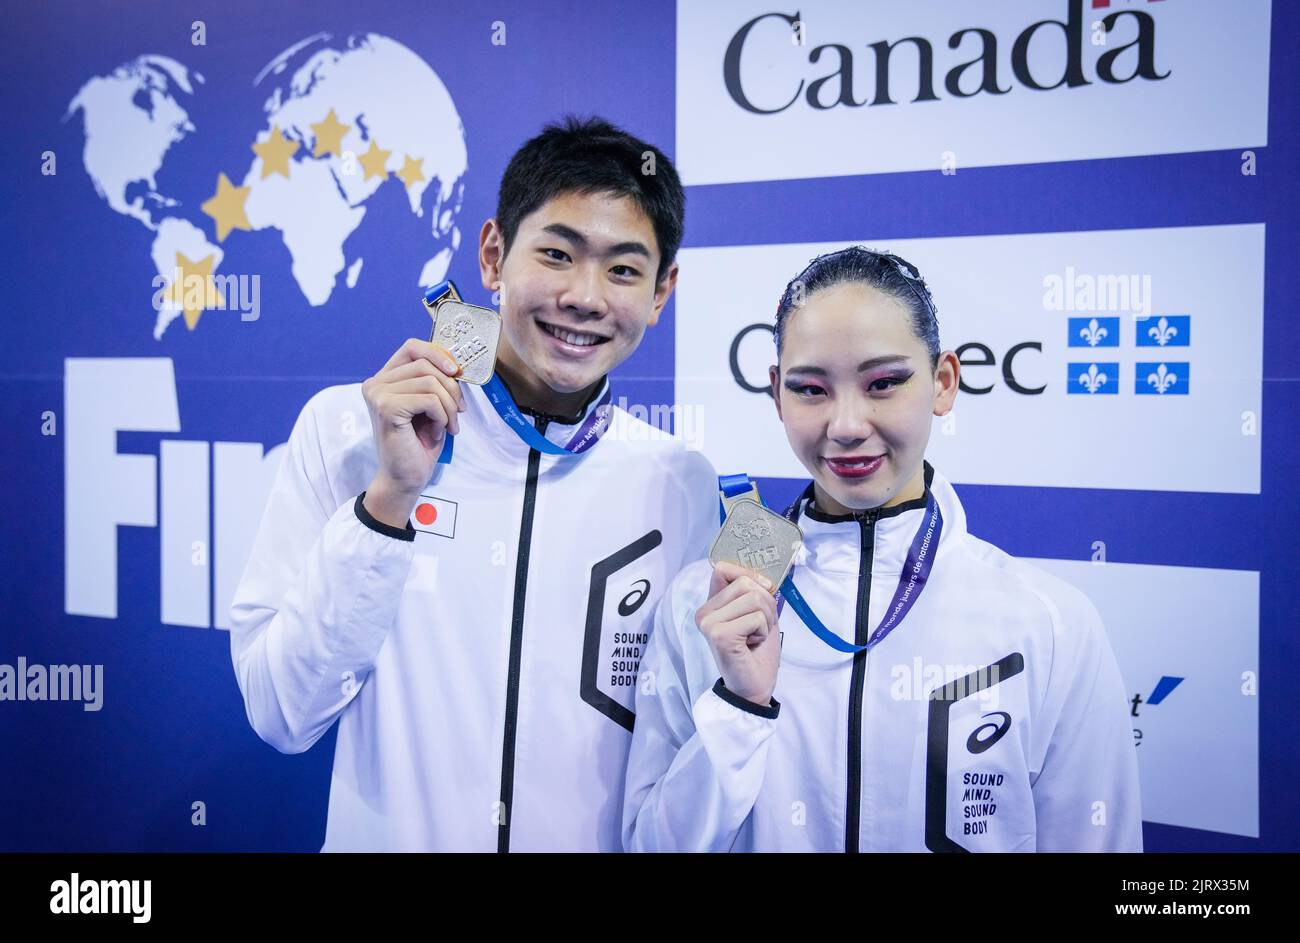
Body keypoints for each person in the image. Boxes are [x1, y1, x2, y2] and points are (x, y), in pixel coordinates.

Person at [228, 116, 717, 851]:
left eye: (622, 268)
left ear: (660, 292)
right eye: (557, 253)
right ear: (493, 255)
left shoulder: (681, 482)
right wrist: (388, 503)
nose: (585, 296)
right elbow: (282, 714)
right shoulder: (347, 429)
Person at [623, 246, 1141, 852]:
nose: (845, 424)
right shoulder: (706, 606)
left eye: (884, 383)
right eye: (811, 389)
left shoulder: (1047, 623)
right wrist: (740, 706)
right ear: (776, 394)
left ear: (943, 382)